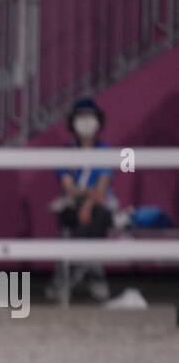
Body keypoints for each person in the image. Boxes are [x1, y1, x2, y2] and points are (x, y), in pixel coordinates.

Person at [50, 96, 116, 302]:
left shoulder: (107, 151)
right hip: (73, 207)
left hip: (97, 207)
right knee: (72, 216)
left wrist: (87, 200)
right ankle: (92, 272)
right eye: (81, 117)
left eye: (90, 116)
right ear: (73, 121)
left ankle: (76, 275)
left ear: (99, 121)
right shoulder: (66, 152)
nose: (86, 121)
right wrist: (86, 195)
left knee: (100, 215)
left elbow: (102, 190)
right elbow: (69, 188)